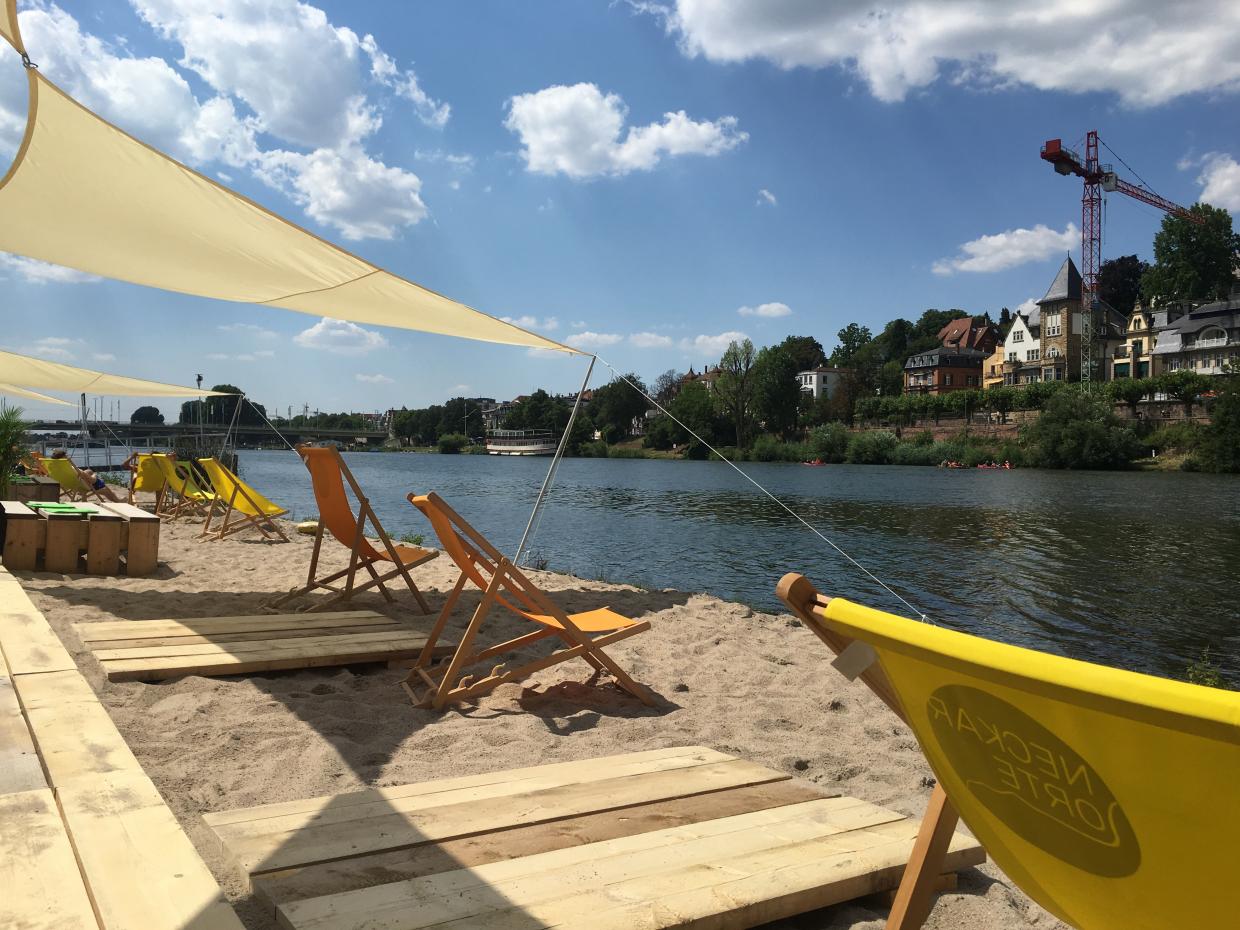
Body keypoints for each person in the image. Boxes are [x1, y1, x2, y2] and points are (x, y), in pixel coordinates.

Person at [50, 450, 121, 502]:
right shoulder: (71, 468)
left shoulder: (54, 469)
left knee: (88, 471)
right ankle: (118, 502)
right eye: (66, 456)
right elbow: (92, 480)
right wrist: (95, 475)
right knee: (106, 489)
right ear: (63, 458)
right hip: (83, 486)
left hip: (69, 484)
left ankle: (117, 500)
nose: (68, 457)